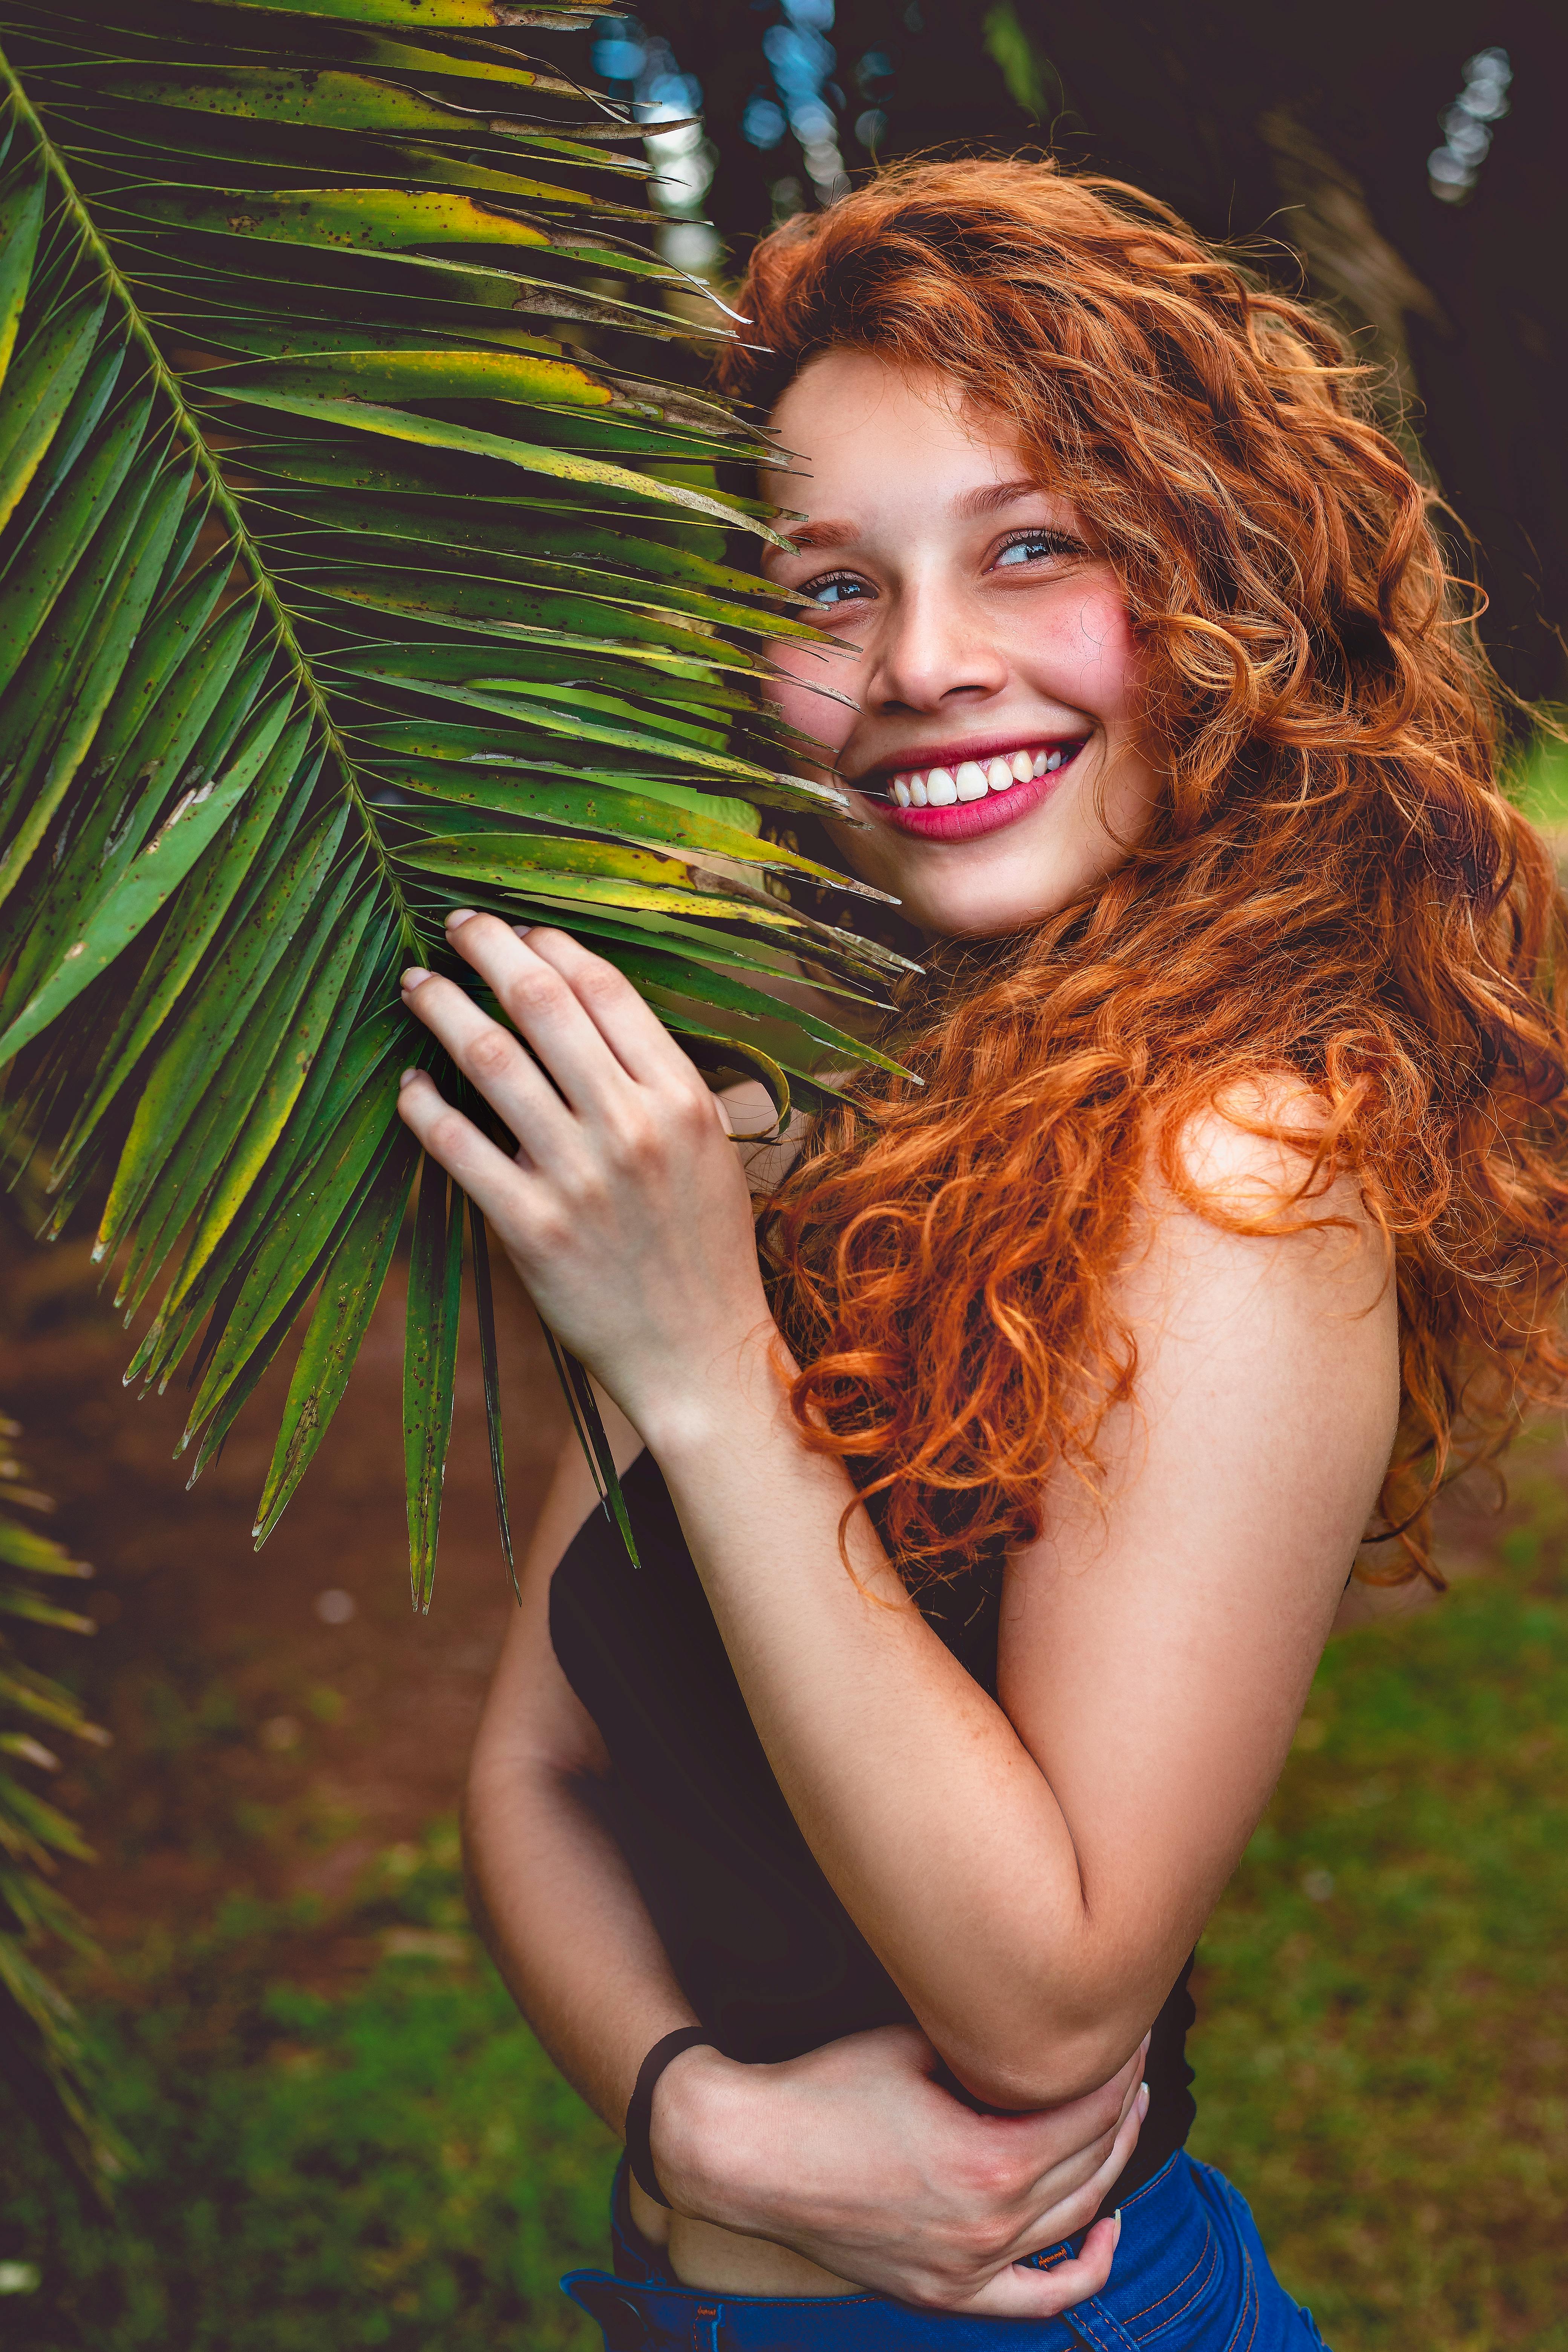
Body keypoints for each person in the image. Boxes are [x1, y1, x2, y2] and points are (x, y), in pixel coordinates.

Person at [392, 160, 1568, 2348]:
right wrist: (694, 2131)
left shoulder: (1244, 1160)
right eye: (828, 587)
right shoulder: (784, 1118)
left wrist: (703, 1355)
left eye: (1034, 547)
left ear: (1217, 585)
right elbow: (531, 1777)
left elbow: (1046, 1996)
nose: (925, 666)